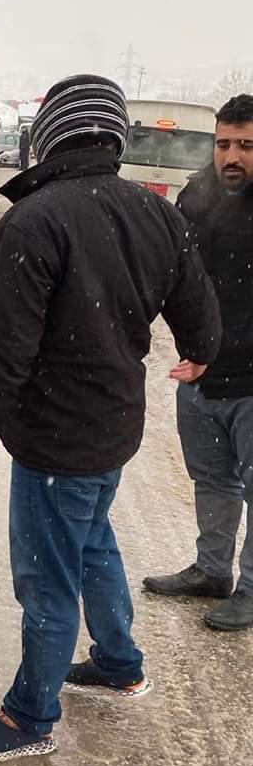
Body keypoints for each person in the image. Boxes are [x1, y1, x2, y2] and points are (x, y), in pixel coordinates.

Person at [0, 74, 220, 762]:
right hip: (112, 426)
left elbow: (1, 351)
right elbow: (201, 310)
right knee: (91, 541)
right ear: (116, 137)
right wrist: (199, 354)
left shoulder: (35, 221)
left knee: (47, 575)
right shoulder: (156, 214)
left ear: (48, 137)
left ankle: (29, 717)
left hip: (57, 437)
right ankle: (120, 664)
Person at [144, 94, 253, 630]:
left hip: (252, 379)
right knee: (212, 478)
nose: (232, 157)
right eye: (224, 144)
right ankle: (213, 571)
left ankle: (252, 589)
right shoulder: (195, 196)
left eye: (247, 146)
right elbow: (175, 278)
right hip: (201, 374)